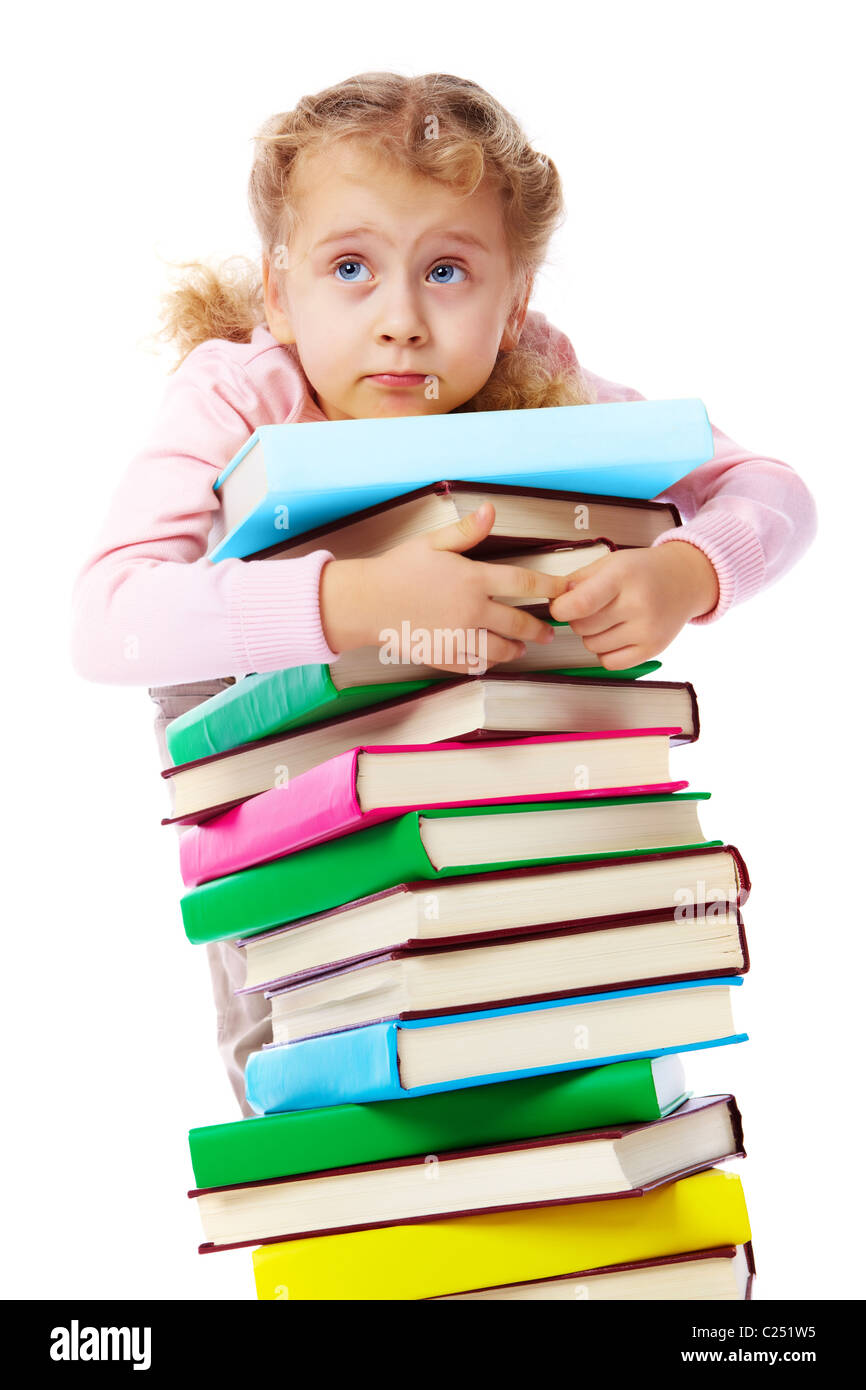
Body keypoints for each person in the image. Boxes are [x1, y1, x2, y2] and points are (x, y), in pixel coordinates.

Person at [70, 72, 817, 1115]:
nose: (401, 323)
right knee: (320, 1102)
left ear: (515, 301)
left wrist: (688, 569)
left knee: (547, 1061)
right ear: (278, 293)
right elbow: (110, 616)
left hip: (498, 814)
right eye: (349, 268)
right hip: (294, 844)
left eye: (449, 271)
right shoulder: (243, 390)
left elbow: (770, 491)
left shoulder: (534, 379)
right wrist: (358, 604)